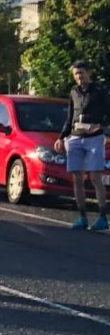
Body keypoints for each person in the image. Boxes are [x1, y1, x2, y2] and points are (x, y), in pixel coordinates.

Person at [57, 60, 109, 231]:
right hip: (75, 137)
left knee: (95, 177)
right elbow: (69, 117)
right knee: (77, 178)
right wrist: (61, 137)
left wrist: (100, 126)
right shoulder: (74, 92)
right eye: (76, 74)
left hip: (94, 138)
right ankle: (82, 217)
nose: (79, 76)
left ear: (88, 73)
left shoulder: (100, 91)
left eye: (81, 73)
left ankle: (102, 217)